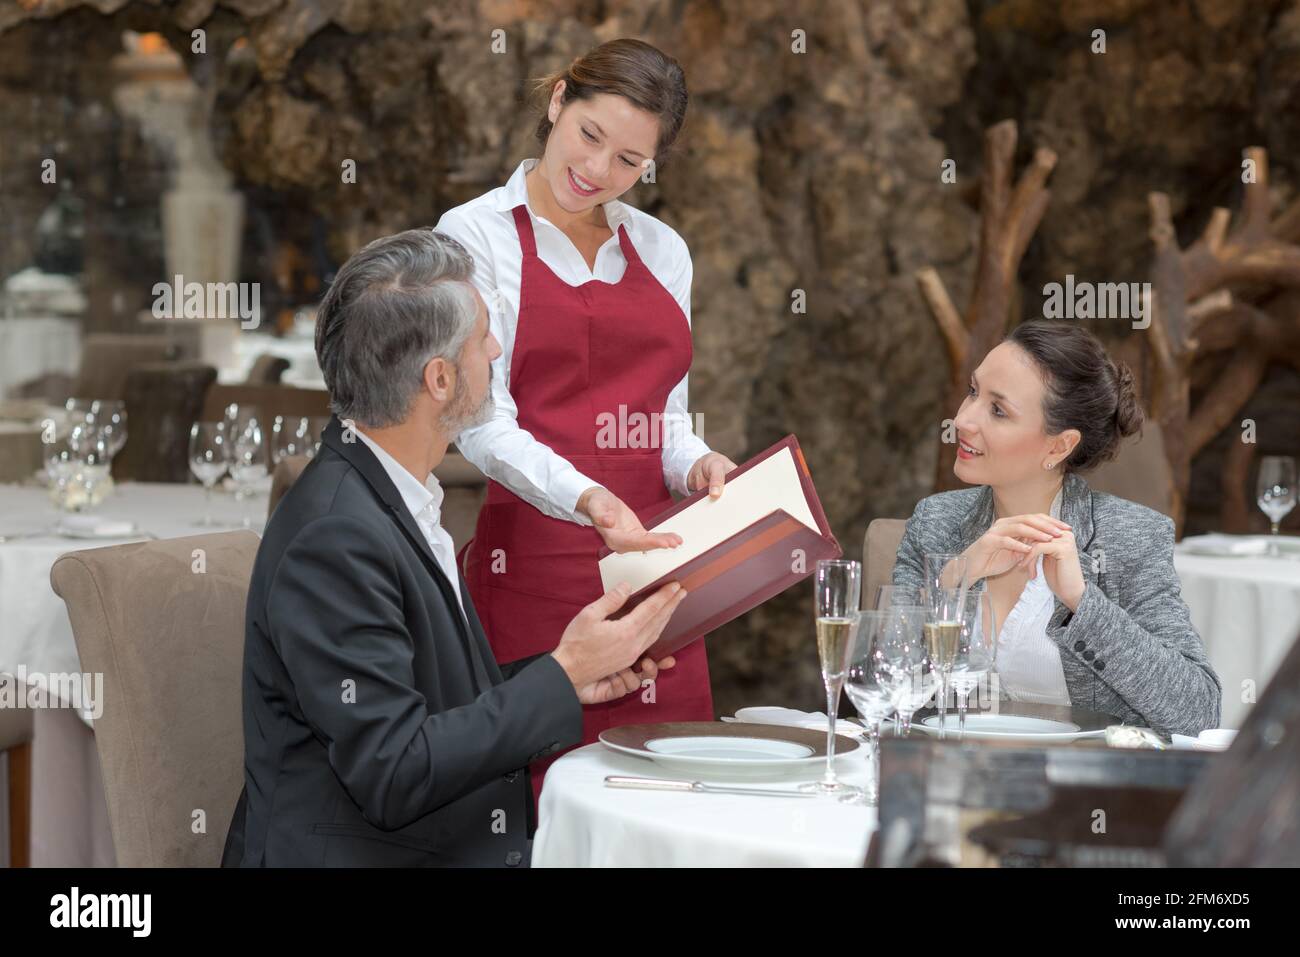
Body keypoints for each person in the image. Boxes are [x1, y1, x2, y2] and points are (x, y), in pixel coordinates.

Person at [221, 228, 686, 867]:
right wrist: (563, 671)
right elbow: (393, 772)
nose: (496, 349)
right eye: (482, 339)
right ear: (438, 378)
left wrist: (566, 679)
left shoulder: (389, 492)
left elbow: (429, 702)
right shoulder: (336, 537)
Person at [434, 38, 734, 801]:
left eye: (630, 161)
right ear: (558, 100)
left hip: (657, 583)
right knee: (543, 811)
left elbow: (666, 417)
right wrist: (590, 499)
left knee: (668, 813)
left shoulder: (663, 249)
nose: (599, 172)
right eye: (590, 136)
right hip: (535, 575)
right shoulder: (473, 234)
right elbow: (480, 422)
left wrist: (696, 463)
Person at [892, 320, 1221, 737]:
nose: (962, 419)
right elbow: (883, 685)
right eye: (973, 391)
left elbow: (1199, 713)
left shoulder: (1128, 538)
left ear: (1059, 445)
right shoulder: (936, 524)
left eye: (998, 410)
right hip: (951, 783)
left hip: (1079, 792)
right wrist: (953, 582)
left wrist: (1082, 602)